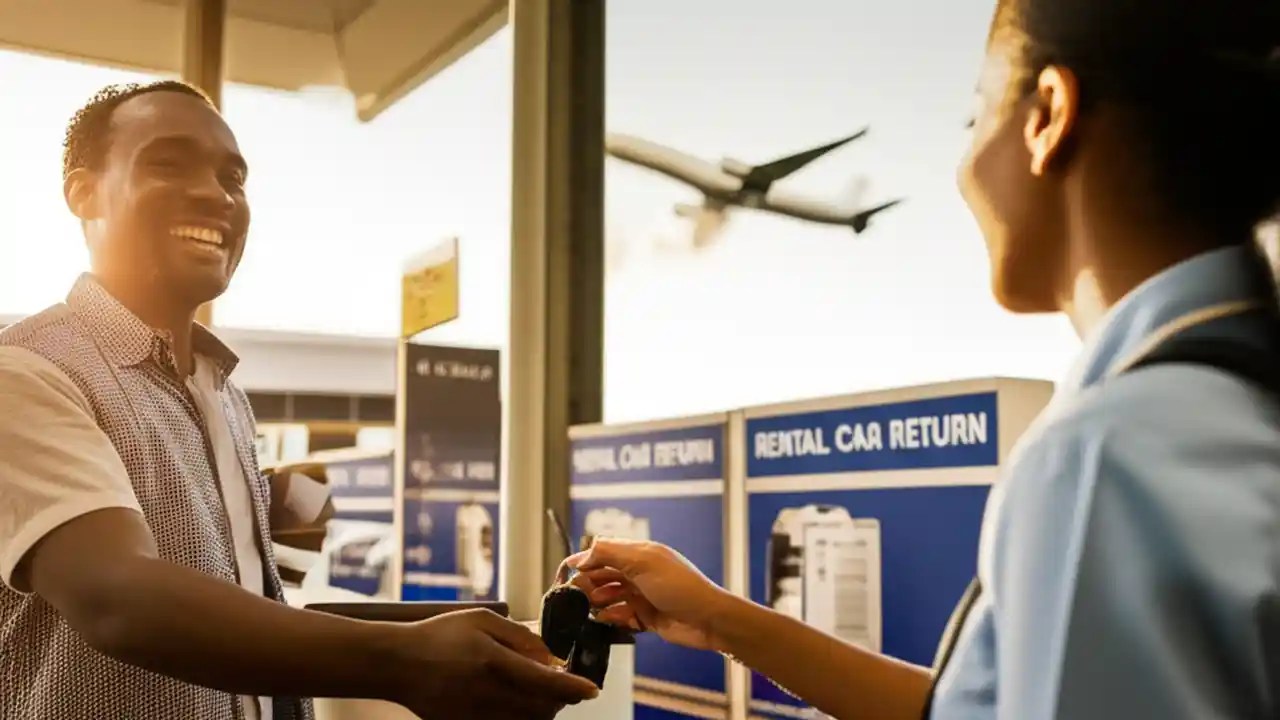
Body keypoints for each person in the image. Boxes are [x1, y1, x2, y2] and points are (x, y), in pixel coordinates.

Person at [569, 1, 1280, 718]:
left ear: (1048, 116)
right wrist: (721, 619)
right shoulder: (1219, 411)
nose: (964, 171)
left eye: (975, 119)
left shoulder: (1107, 459)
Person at [0, 81, 597, 720]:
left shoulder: (225, 395)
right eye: (167, 164)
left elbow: (245, 596)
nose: (215, 194)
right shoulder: (27, 372)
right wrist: (405, 661)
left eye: (233, 177)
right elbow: (118, 599)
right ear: (82, 192)